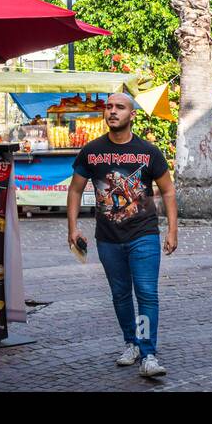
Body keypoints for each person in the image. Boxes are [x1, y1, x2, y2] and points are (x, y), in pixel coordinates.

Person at [67, 91, 177, 380]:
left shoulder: (148, 152)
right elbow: (75, 190)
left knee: (146, 293)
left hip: (144, 234)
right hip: (108, 237)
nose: (112, 111)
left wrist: (173, 230)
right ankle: (131, 342)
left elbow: (167, 190)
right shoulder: (91, 151)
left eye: (120, 107)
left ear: (132, 115)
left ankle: (148, 352)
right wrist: (73, 227)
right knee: (120, 295)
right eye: (109, 107)